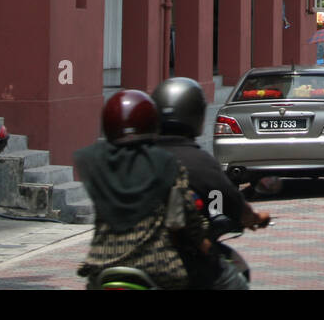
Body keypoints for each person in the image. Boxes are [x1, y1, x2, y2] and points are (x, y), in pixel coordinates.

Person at [74, 89, 209, 290]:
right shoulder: (167, 164)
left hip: (101, 267)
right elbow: (178, 219)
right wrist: (202, 240)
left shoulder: (96, 166)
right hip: (156, 267)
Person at [151, 77, 270, 290]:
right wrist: (253, 217)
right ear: (197, 114)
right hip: (179, 262)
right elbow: (231, 202)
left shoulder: (135, 159)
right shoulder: (199, 163)